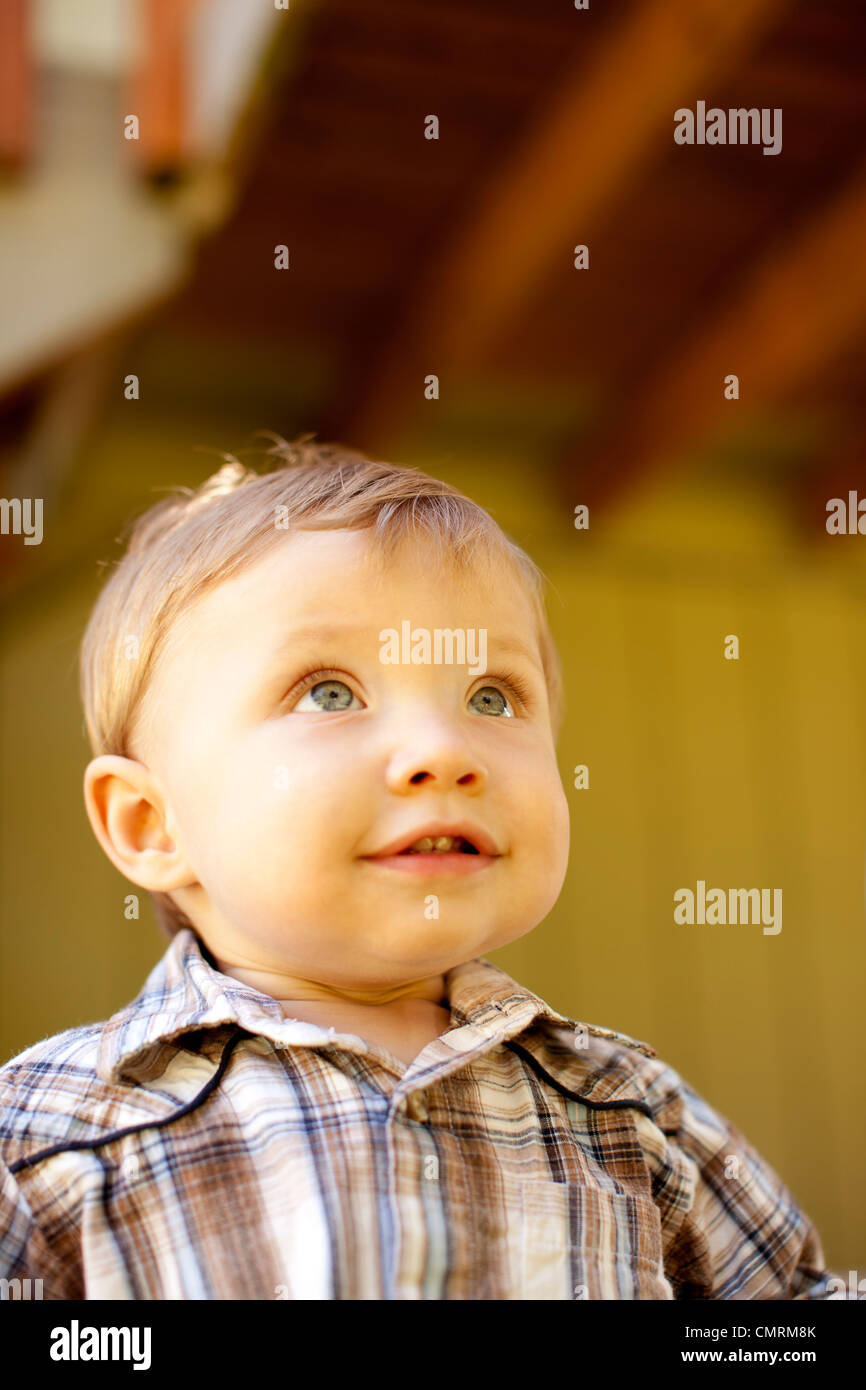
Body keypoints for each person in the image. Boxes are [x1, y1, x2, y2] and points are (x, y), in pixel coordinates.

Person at [0, 436, 843, 1298]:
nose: (444, 750)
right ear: (151, 824)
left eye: (491, 696)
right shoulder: (48, 1137)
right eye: (329, 693)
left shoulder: (627, 1108)